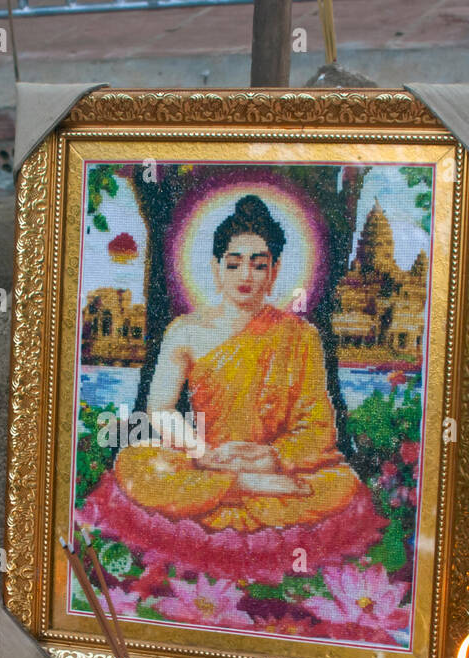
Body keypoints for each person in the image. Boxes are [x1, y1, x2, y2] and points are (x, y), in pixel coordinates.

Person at [81, 194, 388, 586]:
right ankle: (237, 489)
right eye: (234, 263)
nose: (246, 275)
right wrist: (204, 454)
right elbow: (160, 410)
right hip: (205, 459)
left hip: (271, 467)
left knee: (340, 485)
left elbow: (319, 429)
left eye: (259, 265)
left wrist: (271, 458)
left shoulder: (301, 337)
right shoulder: (186, 331)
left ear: (275, 271)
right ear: (215, 267)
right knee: (136, 464)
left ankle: (227, 492)